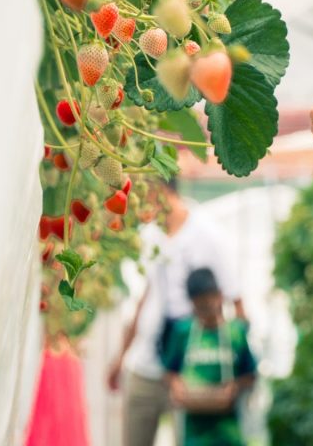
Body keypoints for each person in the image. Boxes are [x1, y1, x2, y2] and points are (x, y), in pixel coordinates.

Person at [108, 179, 245, 446]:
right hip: (148, 359)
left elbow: (237, 303)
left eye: (143, 195)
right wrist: (121, 357)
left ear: (162, 191)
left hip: (193, 364)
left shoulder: (209, 235)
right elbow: (144, 299)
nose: (139, 206)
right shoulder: (150, 235)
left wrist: (237, 372)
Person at [161, 267, 257, 446]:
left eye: (208, 301)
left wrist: (235, 387)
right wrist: (176, 386)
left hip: (228, 433)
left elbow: (250, 374)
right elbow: (169, 371)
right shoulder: (183, 331)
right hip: (193, 434)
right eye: (199, 305)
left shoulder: (235, 332)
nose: (205, 309)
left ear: (219, 295)